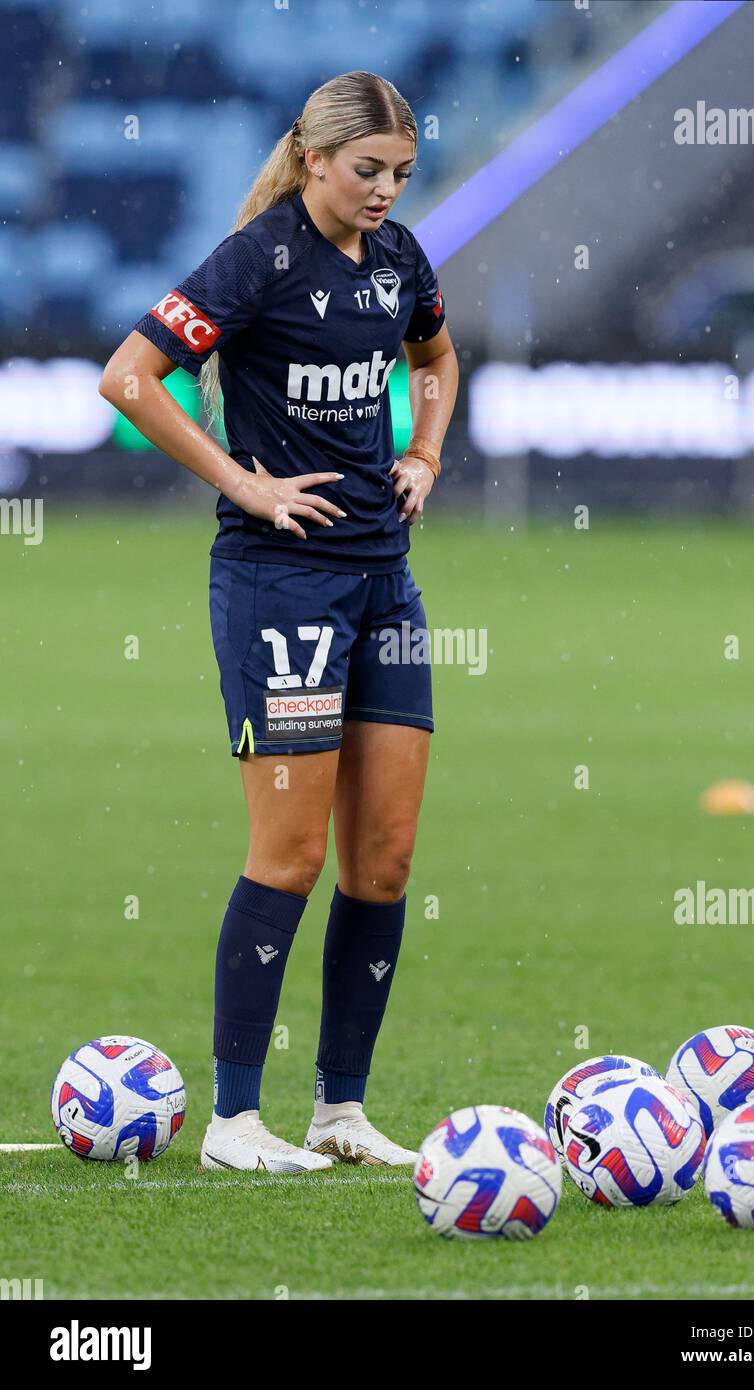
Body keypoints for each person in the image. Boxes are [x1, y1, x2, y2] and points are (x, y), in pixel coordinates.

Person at [98, 70, 458, 1172]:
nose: (385, 191)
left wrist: (424, 451)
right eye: (366, 171)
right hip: (281, 585)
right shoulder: (257, 258)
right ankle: (233, 1121)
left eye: (399, 172)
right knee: (291, 853)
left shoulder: (397, 260)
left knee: (384, 858)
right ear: (312, 160)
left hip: (382, 585)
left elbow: (435, 360)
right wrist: (246, 484)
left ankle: (340, 1112)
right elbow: (129, 377)